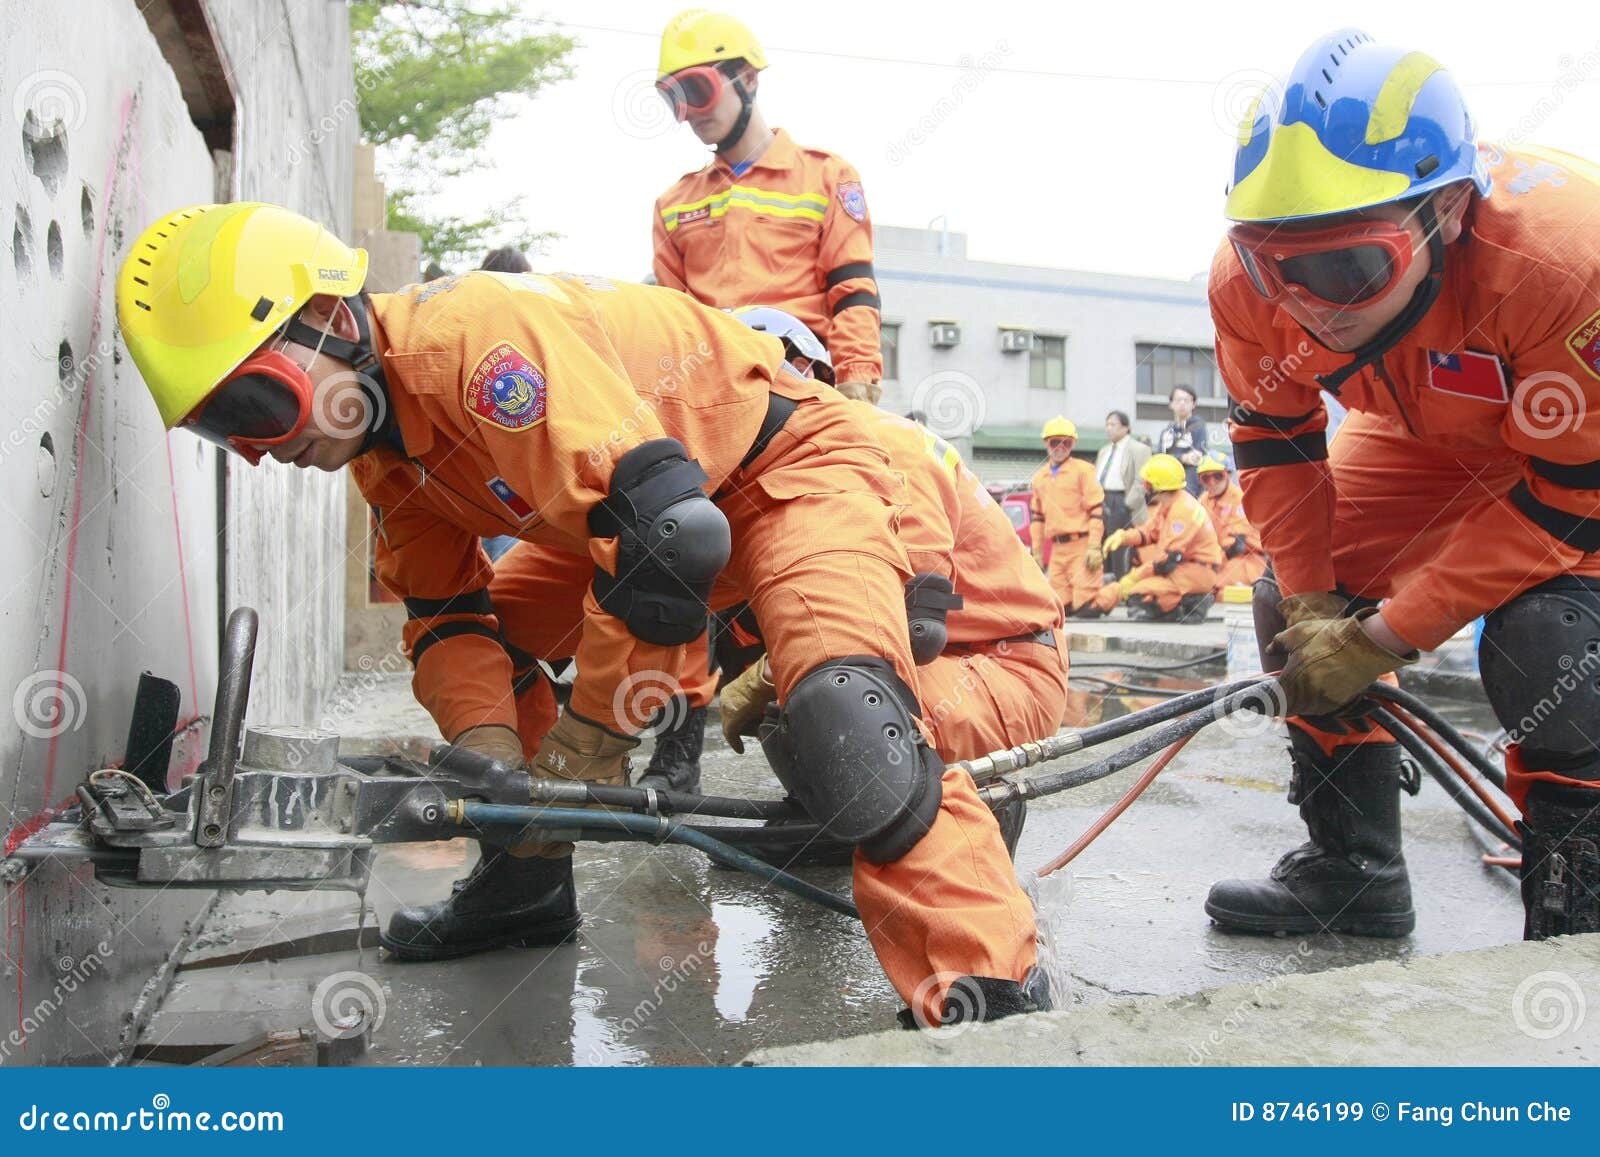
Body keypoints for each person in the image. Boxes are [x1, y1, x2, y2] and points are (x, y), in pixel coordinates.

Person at [115, 203, 1051, 1028]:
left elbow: (668, 535)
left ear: (323, 317)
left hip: (789, 474)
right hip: (664, 517)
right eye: (220, 430)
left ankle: (990, 994)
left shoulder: (477, 344)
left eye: (254, 402)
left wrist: (592, 736)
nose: (255, 450)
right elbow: (448, 619)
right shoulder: (386, 454)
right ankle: (526, 876)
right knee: (495, 647)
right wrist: (497, 764)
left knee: (848, 715)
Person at [1205, 30, 1600, 941]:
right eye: (1280, 268)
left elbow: (1567, 500)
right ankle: (1355, 871)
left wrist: (1385, 636)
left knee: (1554, 637)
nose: (1307, 299)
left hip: (1582, 452)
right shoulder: (1247, 280)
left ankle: (1577, 917)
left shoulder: (1563, 267)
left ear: (1449, 212)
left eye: (1349, 266)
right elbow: (1275, 436)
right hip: (1434, 434)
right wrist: (1313, 602)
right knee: (1294, 605)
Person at [650, 10, 883, 403]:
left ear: (748, 77)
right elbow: (673, 325)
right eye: (677, 98)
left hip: (806, 390)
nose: (691, 112)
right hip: (715, 398)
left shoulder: (827, 177)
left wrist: (855, 382)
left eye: (698, 90)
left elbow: (852, 292)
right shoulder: (674, 205)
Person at [1086, 455, 1222, 620]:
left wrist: (1133, 578)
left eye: (1147, 484)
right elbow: (1149, 532)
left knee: (1138, 594)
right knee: (1138, 592)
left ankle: (1192, 603)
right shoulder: (1171, 503)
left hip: (1197, 572)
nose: (1144, 488)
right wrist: (1123, 537)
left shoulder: (1182, 510)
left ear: (1157, 486)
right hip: (1188, 569)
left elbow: (1167, 560)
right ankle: (1182, 602)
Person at [1028, 417, 1105, 617]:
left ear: (1073, 445)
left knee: (1086, 609)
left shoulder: (1084, 471)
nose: (1060, 447)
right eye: (1055, 442)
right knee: (1060, 609)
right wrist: (1036, 552)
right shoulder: (1039, 478)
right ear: (1047, 443)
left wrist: (1094, 547)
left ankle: (1118, 590)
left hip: (1082, 545)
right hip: (1057, 551)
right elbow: (1037, 519)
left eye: (1067, 443)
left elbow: (1096, 511)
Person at [1094, 410, 1152, 578]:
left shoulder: (1138, 449)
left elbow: (1141, 481)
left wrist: (1127, 505)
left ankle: (1122, 586)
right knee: (1101, 541)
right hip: (1102, 498)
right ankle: (1104, 583)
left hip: (1122, 500)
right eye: (1107, 425)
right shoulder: (1104, 451)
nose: (1109, 428)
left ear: (1126, 427)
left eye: (1113, 424)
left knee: (1120, 545)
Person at [1197, 456, 1265, 591]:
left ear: (1227, 474)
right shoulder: (1203, 501)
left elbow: (1236, 546)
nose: (1212, 482)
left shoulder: (1241, 500)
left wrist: (1213, 563)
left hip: (1246, 559)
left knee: (1213, 586)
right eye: (1206, 478)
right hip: (1215, 557)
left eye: (1217, 476)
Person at [1157, 384, 1208, 493]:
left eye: (1186, 400)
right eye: (1178, 400)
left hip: (1189, 485)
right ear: (1171, 404)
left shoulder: (1198, 427)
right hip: (1166, 483)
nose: (1182, 404)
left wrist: (1172, 458)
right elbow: (1159, 458)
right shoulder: (1166, 432)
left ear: (1193, 404)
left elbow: (1197, 457)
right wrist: (1183, 458)